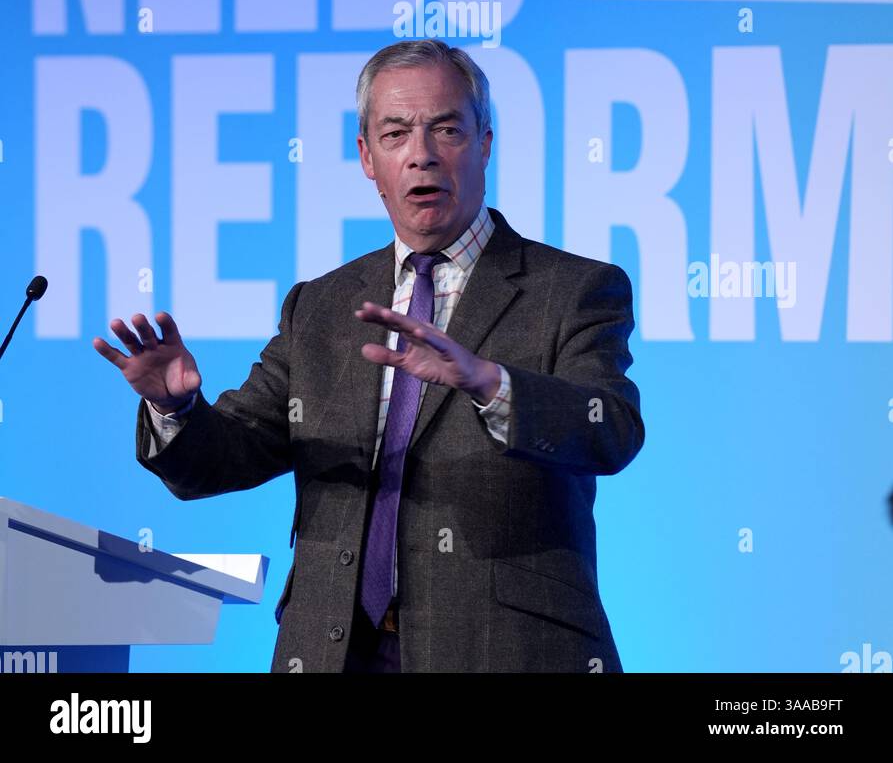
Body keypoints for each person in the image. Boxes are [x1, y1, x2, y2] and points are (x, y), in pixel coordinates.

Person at [94, 39, 645, 673]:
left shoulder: (572, 289)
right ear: (366, 157)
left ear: (485, 142)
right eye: (396, 133)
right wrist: (177, 407)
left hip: (507, 652)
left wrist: (489, 382)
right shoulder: (321, 306)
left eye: (446, 129)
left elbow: (611, 430)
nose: (422, 154)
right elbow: (224, 458)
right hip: (335, 654)